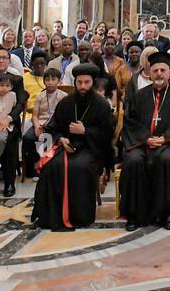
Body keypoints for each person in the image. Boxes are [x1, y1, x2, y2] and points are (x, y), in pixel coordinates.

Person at [32, 63, 115, 231]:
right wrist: (60, 138)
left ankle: (79, 217)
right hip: (67, 146)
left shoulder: (102, 105)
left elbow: (107, 136)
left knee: (78, 167)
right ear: (75, 82)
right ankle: (49, 216)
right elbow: (52, 128)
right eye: (79, 82)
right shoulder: (66, 103)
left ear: (92, 83)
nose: (83, 86)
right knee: (52, 167)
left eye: (86, 82)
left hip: (92, 150)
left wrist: (86, 131)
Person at [119, 50, 170, 230]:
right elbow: (129, 121)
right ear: (149, 73)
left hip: (167, 144)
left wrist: (166, 138)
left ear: (169, 73)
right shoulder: (139, 95)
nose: (159, 73)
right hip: (141, 143)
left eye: (163, 70)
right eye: (155, 70)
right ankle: (134, 215)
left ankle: (164, 213)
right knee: (134, 160)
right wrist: (146, 139)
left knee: (167, 160)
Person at [24, 66, 65, 179]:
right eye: (47, 80)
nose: (50, 82)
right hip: (41, 123)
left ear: (59, 81)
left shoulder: (63, 96)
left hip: (56, 124)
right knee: (28, 138)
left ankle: (47, 167)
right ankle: (34, 167)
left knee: (48, 138)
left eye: (53, 79)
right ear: (44, 81)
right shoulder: (40, 96)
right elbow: (35, 115)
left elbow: (64, 115)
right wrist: (37, 127)